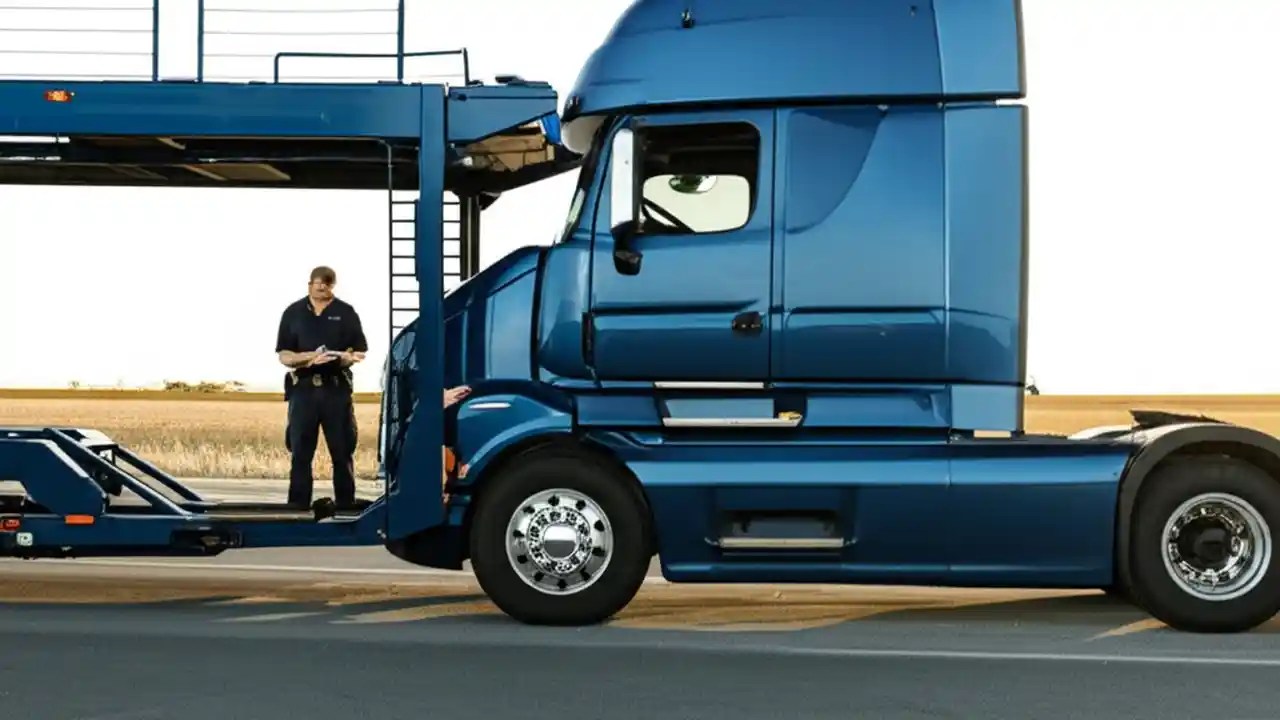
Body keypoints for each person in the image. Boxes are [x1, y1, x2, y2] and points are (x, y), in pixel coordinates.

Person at [275, 265, 368, 510]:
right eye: (315, 284)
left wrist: (343, 358)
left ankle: (346, 504)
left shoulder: (345, 312)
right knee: (300, 453)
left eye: (325, 285)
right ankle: (297, 506)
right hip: (303, 390)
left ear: (332, 286)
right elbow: (284, 355)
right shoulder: (293, 312)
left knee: (342, 451)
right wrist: (308, 358)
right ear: (309, 285)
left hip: (335, 389)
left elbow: (359, 351)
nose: (320, 288)